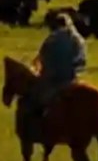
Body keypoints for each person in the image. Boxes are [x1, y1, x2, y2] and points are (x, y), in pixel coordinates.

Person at [23, 12, 88, 141]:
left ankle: (38, 128)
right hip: (71, 78)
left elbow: (42, 58)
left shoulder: (52, 39)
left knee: (36, 98)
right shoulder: (77, 39)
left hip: (54, 79)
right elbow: (82, 60)